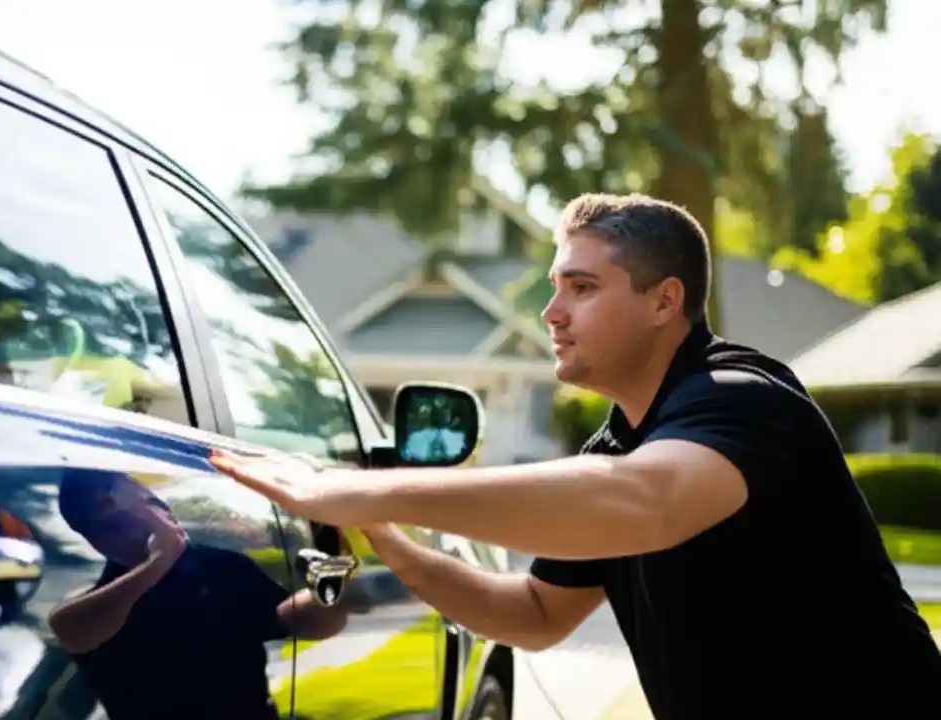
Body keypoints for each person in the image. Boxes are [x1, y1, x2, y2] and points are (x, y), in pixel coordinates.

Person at [210, 192, 941, 719]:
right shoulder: (620, 444)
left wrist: (368, 493)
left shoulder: (742, 397)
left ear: (665, 302)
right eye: (555, 287)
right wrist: (389, 542)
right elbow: (534, 614)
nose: (551, 313)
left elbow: (642, 502)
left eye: (582, 288)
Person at [49, 470, 348, 720]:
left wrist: (327, 579)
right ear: (94, 536)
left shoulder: (220, 568)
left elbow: (298, 622)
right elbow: (71, 629)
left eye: (152, 503)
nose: (151, 516)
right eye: (120, 515)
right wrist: (159, 560)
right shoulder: (101, 601)